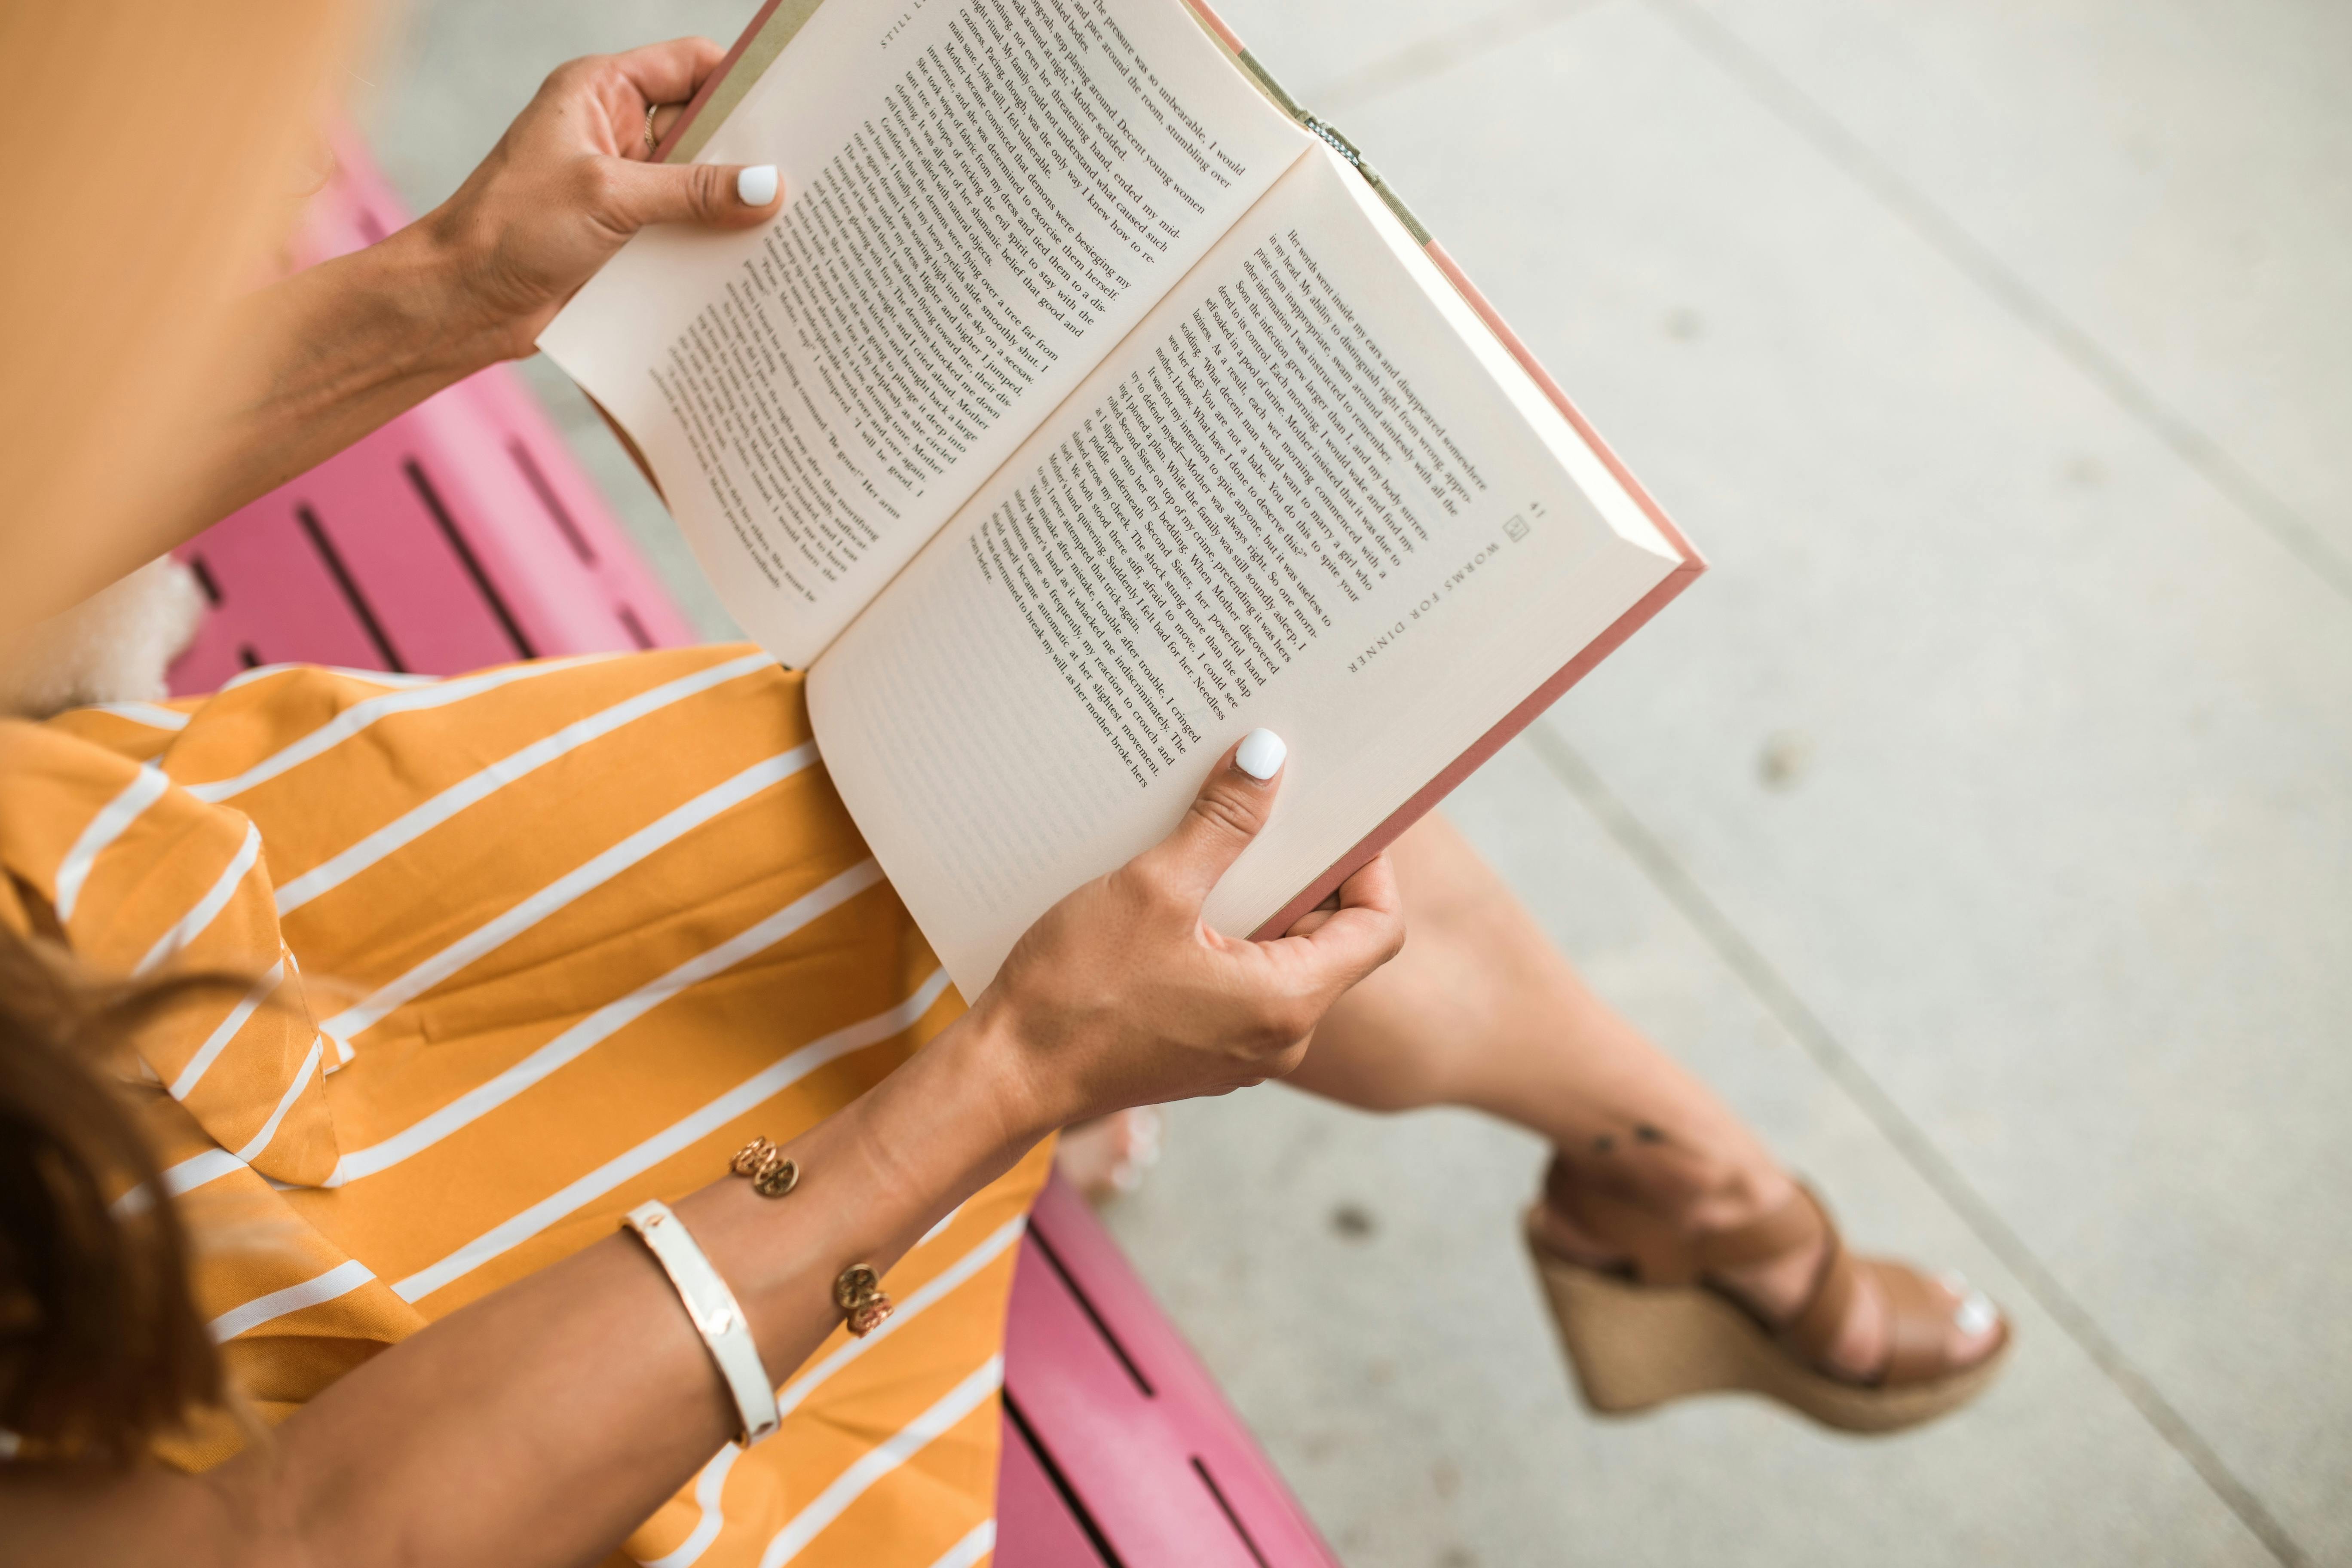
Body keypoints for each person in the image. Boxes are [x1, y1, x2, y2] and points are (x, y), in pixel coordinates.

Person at [0, 6, 2006, 1565]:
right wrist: (1009, 1081)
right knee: (1191, 853)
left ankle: (1693, 1185)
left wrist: (463, 282)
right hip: (358, 1404)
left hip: (166, 918)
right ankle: (1709, 1210)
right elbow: (305, 1539)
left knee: (1179, 780)